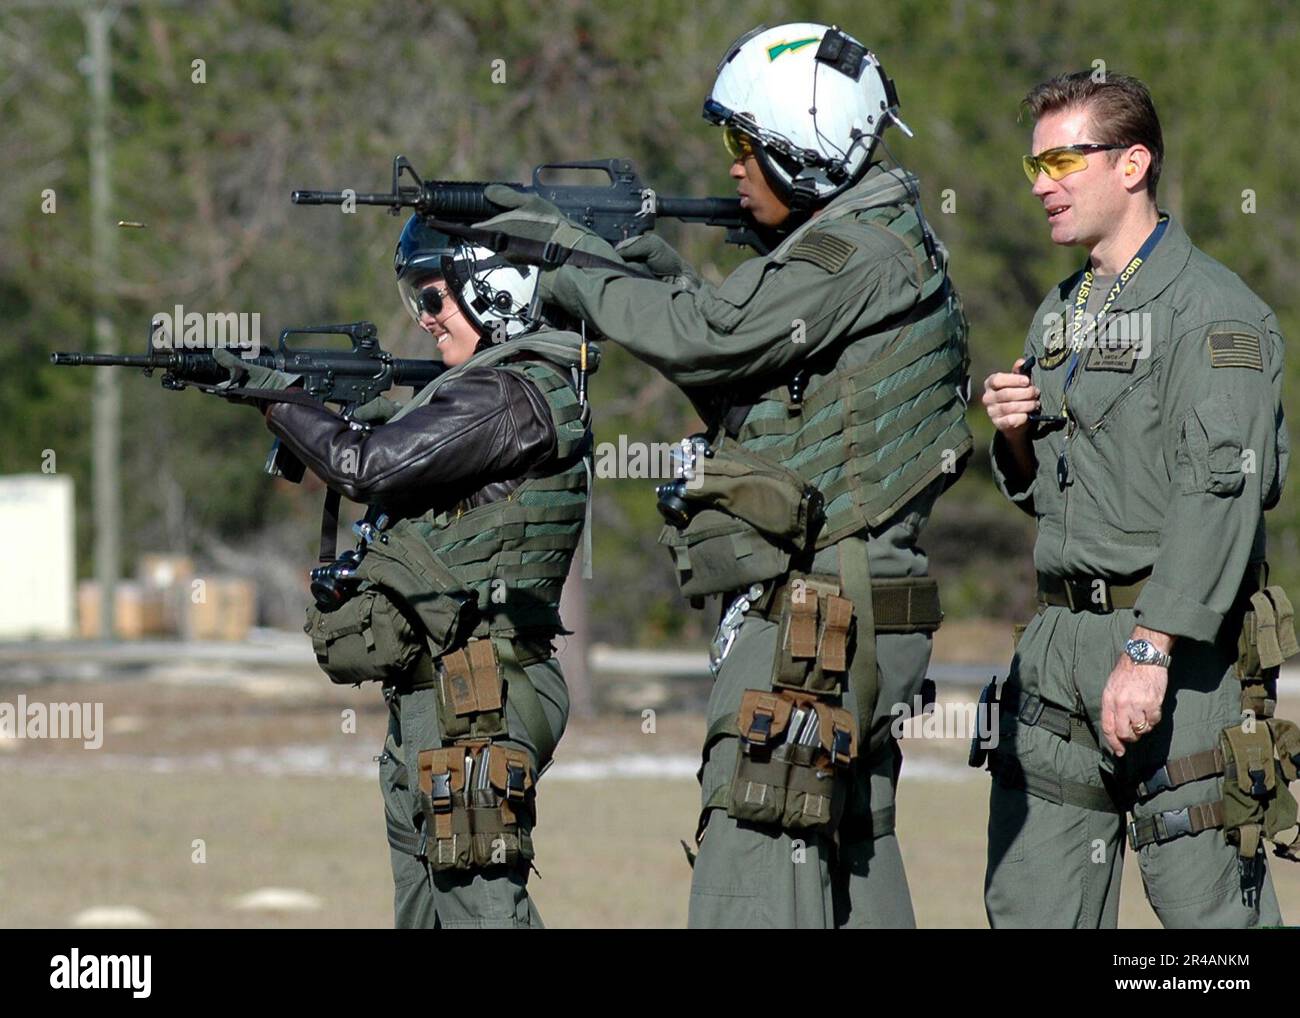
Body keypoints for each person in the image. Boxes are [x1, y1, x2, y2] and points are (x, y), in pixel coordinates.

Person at [476, 22, 972, 928]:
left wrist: (563, 263)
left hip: (814, 624)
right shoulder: (879, 238)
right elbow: (735, 351)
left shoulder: (848, 254)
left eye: (750, 148)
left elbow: (706, 338)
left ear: (810, 156)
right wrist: (635, 267)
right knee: (849, 862)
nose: (734, 169)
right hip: (851, 611)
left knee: (756, 868)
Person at [216, 218, 596, 928]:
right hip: (438, 694)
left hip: (483, 696)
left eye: (435, 299)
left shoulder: (512, 396)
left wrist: (277, 398)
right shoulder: (477, 392)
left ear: (497, 293)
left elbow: (367, 464)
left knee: (481, 910)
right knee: (426, 913)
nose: (423, 320)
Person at [981, 70, 1294, 927]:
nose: (1042, 183)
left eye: (1062, 160)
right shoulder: (1064, 312)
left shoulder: (1216, 313)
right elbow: (1067, 496)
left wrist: (1150, 649)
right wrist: (1015, 436)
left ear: (1133, 164)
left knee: (1210, 928)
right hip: (1057, 654)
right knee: (1030, 909)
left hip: (1175, 660)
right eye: (1033, 164)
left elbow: (1219, 495)